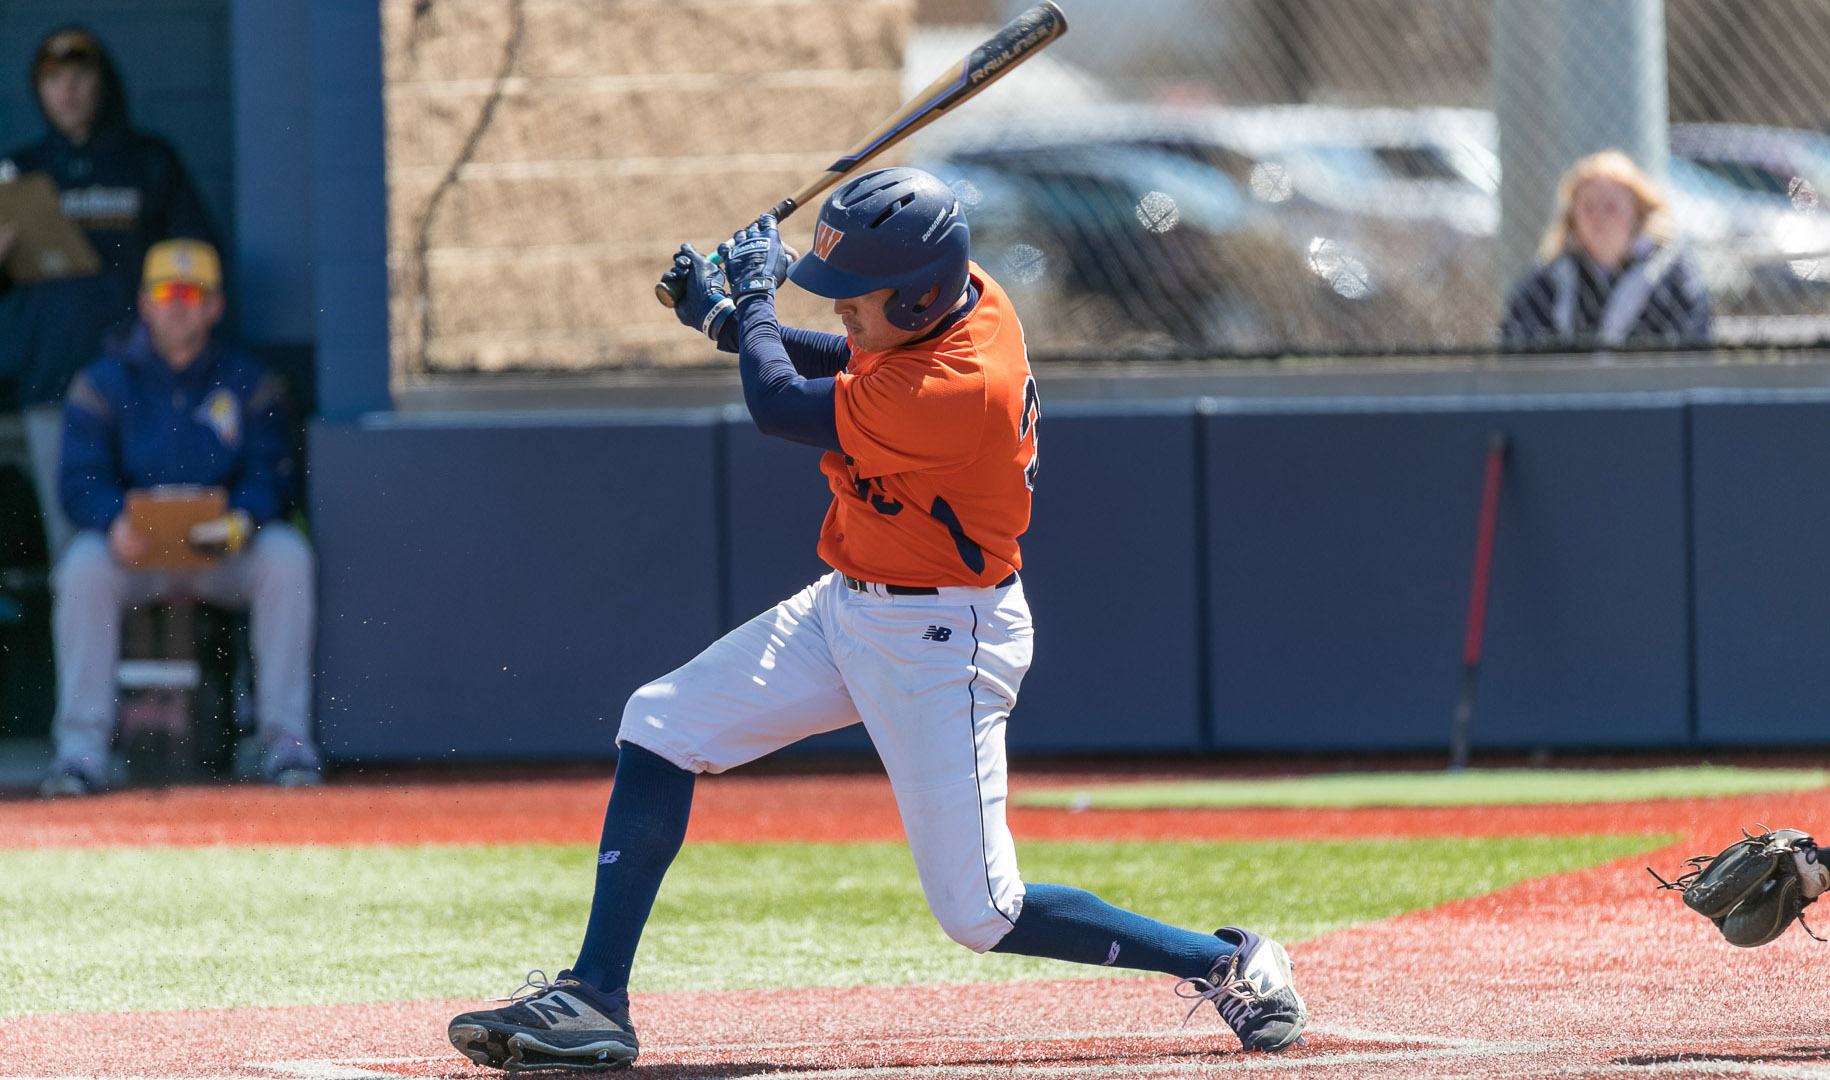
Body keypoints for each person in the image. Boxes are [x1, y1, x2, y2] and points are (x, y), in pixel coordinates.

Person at [445, 167, 1307, 1072]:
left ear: (922, 292)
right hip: (849, 603)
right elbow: (844, 363)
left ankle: (1231, 965)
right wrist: (731, 320)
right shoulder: (947, 305)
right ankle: (594, 1001)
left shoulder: (960, 384)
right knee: (660, 723)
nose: (846, 310)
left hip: (945, 643)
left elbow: (780, 404)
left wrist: (750, 299)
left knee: (982, 914)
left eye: (859, 296)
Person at [39, 239, 318, 797]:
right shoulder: (103, 381)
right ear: (144, 302)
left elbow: (272, 472)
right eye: (167, 292)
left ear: (215, 306)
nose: (179, 305)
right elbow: (78, 481)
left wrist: (244, 519)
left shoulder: (247, 378)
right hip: (136, 554)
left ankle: (285, 742)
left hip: (222, 551)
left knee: (287, 557)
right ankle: (81, 752)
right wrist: (113, 519)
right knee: (81, 568)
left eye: (195, 294)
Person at [0, 26, 217, 557]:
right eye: (53, 80)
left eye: (79, 76)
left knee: (150, 538)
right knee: (74, 550)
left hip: (140, 383)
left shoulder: (148, 161)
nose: (68, 91)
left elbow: (198, 260)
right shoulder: (19, 172)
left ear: (102, 84)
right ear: (39, 92)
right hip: (51, 378)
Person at [1499, 149, 1713, 352]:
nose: (1598, 218)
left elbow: (1690, 349)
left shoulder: (1673, 275)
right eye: (1588, 207)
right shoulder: (1548, 277)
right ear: (1573, 216)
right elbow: (1515, 343)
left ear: (1637, 212)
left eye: (1611, 207)